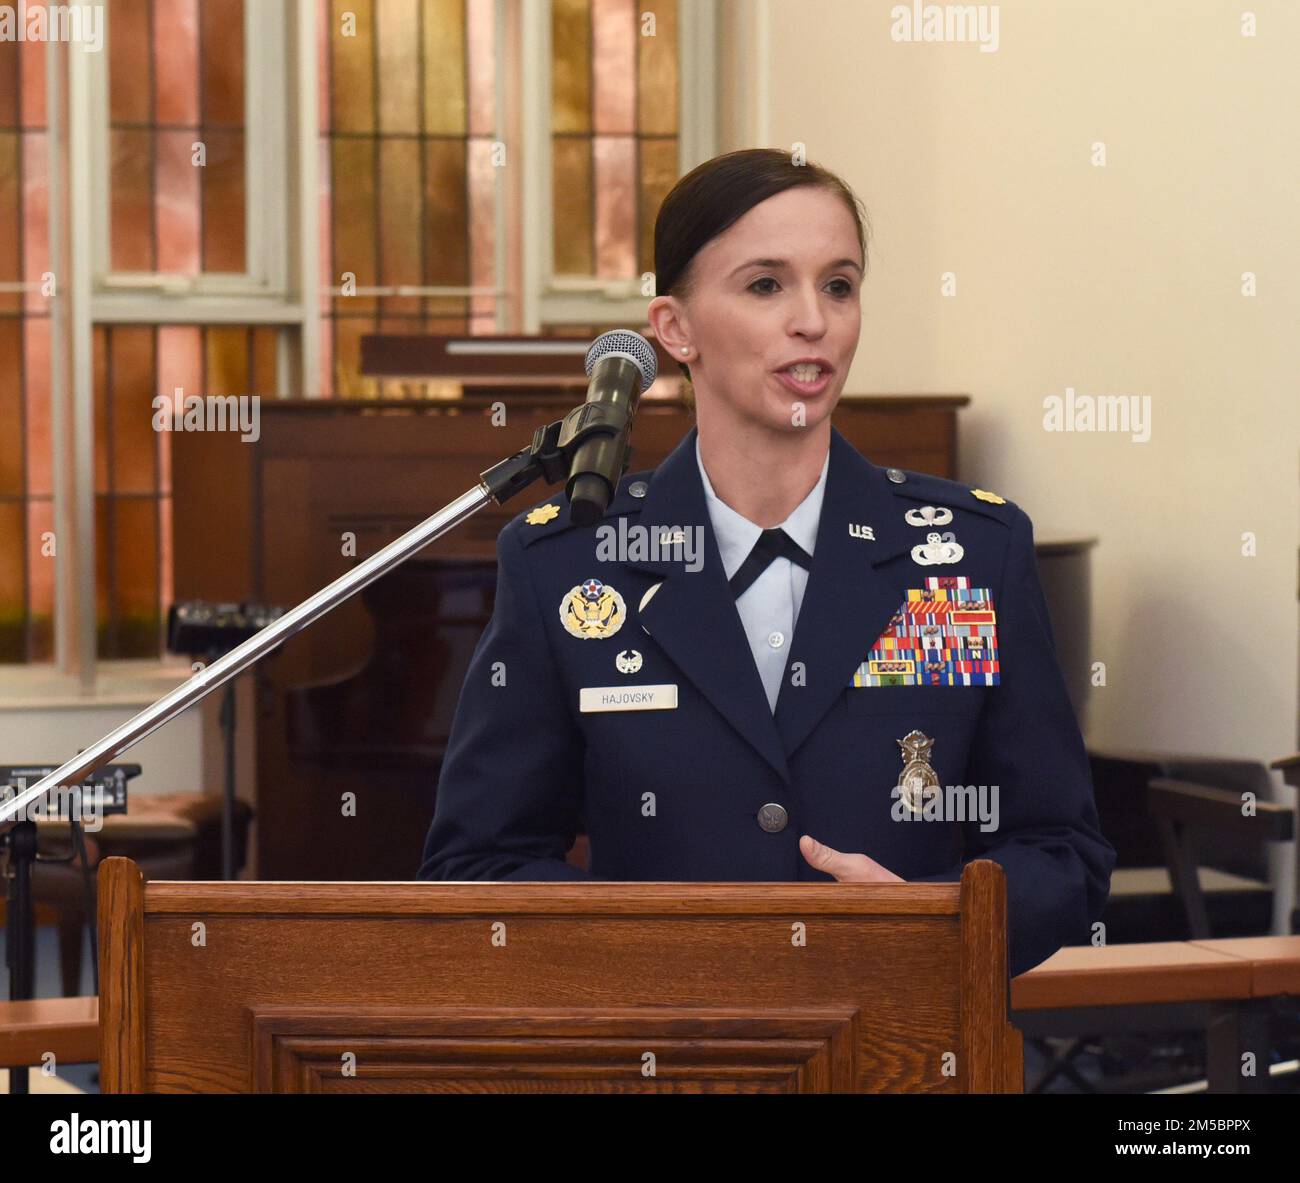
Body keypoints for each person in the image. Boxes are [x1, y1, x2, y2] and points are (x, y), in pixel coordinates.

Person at [417, 147, 1115, 979]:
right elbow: (480, 866)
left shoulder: (967, 558)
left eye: (839, 285)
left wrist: (936, 921)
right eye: (765, 285)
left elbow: (1061, 851)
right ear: (674, 328)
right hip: (661, 1053)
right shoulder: (568, 563)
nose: (812, 320)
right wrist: (660, 947)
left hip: (899, 1036)